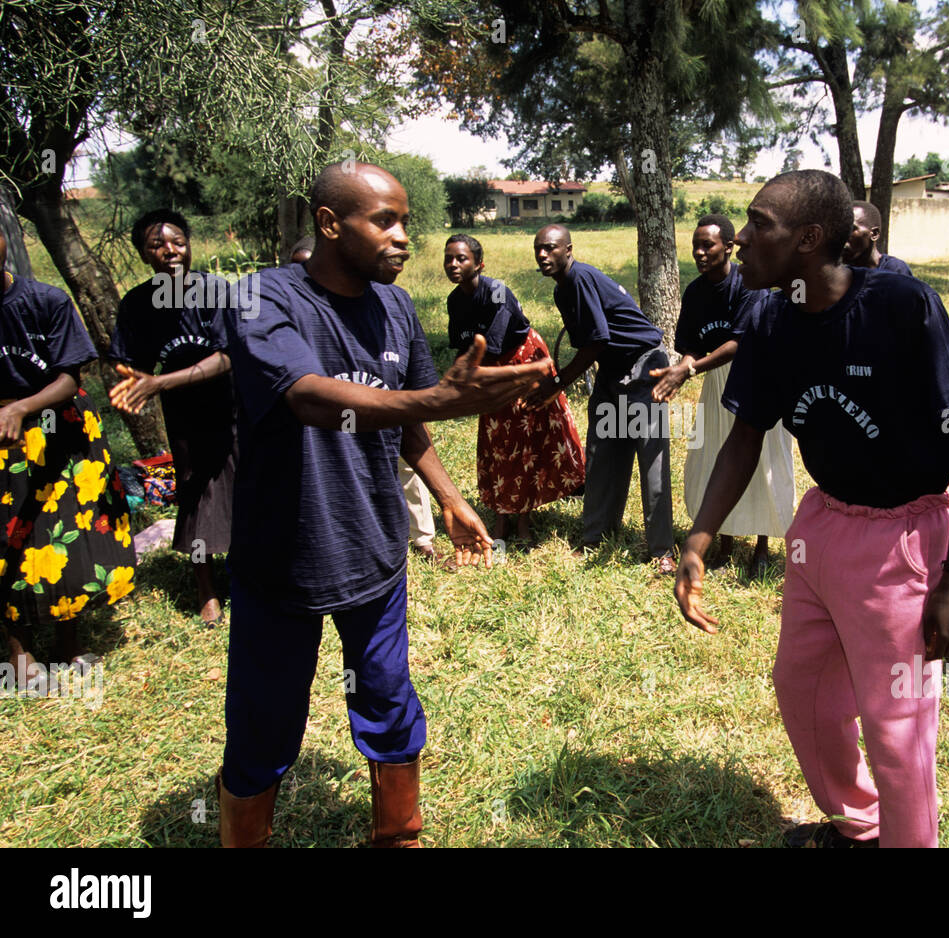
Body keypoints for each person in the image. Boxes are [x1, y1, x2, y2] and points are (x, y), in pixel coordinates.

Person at [217, 162, 549, 847]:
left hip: (373, 550)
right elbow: (306, 397)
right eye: (385, 221)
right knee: (264, 718)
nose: (404, 238)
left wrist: (449, 497)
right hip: (283, 557)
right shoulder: (264, 299)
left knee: (388, 698)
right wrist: (434, 400)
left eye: (406, 222)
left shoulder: (395, 306)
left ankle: (399, 834)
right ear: (331, 223)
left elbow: (406, 422)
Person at [674, 170, 949, 847]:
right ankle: (860, 826)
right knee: (804, 691)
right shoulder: (765, 316)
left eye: (760, 224)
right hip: (822, 527)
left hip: (903, 536)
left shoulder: (901, 305)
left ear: (809, 240)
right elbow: (746, 434)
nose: (741, 237)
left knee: (897, 726)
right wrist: (699, 539)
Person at [0, 229, 137, 692]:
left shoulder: (46, 301)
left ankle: (68, 642)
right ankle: (18, 650)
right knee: (6, 540)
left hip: (59, 429)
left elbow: (68, 376)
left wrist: (20, 409)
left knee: (66, 540)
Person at [108, 209, 237, 627]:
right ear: (144, 255)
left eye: (177, 241)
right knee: (194, 494)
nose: (170, 251)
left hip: (234, 406)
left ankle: (252, 573)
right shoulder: (138, 304)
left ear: (190, 243)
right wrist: (131, 383)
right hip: (185, 417)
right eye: (156, 245)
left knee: (247, 488)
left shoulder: (215, 291)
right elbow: (127, 360)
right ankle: (206, 587)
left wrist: (158, 383)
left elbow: (228, 356)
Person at [649, 214, 795, 578]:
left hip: (758, 376)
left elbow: (739, 343)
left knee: (761, 461)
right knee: (717, 454)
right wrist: (681, 369)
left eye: (707, 245)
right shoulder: (696, 291)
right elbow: (691, 345)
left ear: (728, 247)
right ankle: (726, 541)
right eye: (696, 245)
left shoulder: (749, 284)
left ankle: (762, 547)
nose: (699, 252)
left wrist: (690, 369)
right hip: (715, 380)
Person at [526, 224, 676, 574]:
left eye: (550, 248)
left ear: (568, 249)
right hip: (612, 367)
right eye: (538, 249)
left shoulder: (580, 279)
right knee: (604, 451)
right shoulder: (563, 291)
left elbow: (593, 343)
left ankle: (661, 551)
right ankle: (595, 538)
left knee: (650, 457)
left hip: (644, 365)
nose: (543, 255)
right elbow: (593, 346)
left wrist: (557, 383)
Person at [286, 233, 440, 560]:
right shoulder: (286, 319)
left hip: (388, 420)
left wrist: (451, 500)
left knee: (406, 471)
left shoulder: (392, 307)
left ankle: (423, 538)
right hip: (329, 435)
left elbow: (418, 387)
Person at [444, 234, 584, 544]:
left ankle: (523, 519)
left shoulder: (495, 293)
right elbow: (464, 348)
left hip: (522, 360)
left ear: (479, 264)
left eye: (461, 258)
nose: (453, 264)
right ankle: (501, 515)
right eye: (449, 258)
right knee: (497, 442)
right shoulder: (455, 301)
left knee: (527, 439)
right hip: (489, 368)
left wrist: (472, 374)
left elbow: (491, 345)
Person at [842, 201, 912, 276]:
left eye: (851, 229)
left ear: (874, 234)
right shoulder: (843, 275)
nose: (842, 235)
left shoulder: (895, 270)